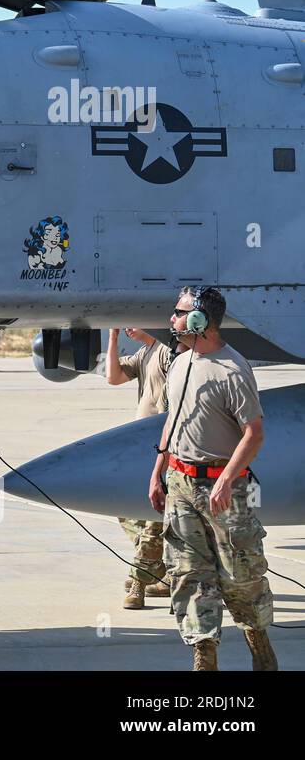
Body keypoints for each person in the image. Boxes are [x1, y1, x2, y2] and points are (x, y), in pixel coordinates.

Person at [147, 286, 275, 671]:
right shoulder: (181, 363)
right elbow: (173, 419)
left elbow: (254, 432)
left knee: (240, 577)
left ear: (202, 320)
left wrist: (224, 481)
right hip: (181, 484)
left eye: (179, 312)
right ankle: (205, 659)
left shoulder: (233, 369)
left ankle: (260, 649)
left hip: (228, 490)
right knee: (188, 575)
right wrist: (158, 473)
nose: (172, 318)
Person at [105, 327, 175, 609]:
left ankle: (138, 583)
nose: (130, 326)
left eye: (136, 321)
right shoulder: (144, 353)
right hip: (142, 445)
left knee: (152, 520)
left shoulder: (166, 352)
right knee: (125, 509)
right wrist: (112, 338)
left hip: (162, 444)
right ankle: (160, 571)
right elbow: (113, 377)